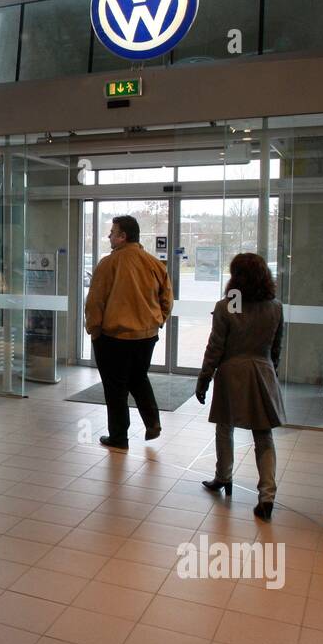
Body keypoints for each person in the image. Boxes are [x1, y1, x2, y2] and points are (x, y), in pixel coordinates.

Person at [195, 252, 286, 520]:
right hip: (263, 371)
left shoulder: (228, 307)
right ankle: (267, 495)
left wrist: (204, 379)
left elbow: (215, 348)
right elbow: (277, 348)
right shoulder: (275, 307)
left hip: (231, 372)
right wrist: (270, 371)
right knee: (263, 434)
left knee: (225, 425)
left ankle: (223, 476)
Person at [84, 215, 174, 449]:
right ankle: (152, 422)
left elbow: (95, 301)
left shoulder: (108, 264)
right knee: (138, 378)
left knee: (115, 389)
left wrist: (94, 330)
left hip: (114, 337)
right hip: (146, 336)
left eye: (112, 232)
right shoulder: (154, 264)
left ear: (123, 237)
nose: (109, 236)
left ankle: (119, 437)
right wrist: (158, 320)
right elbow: (167, 299)